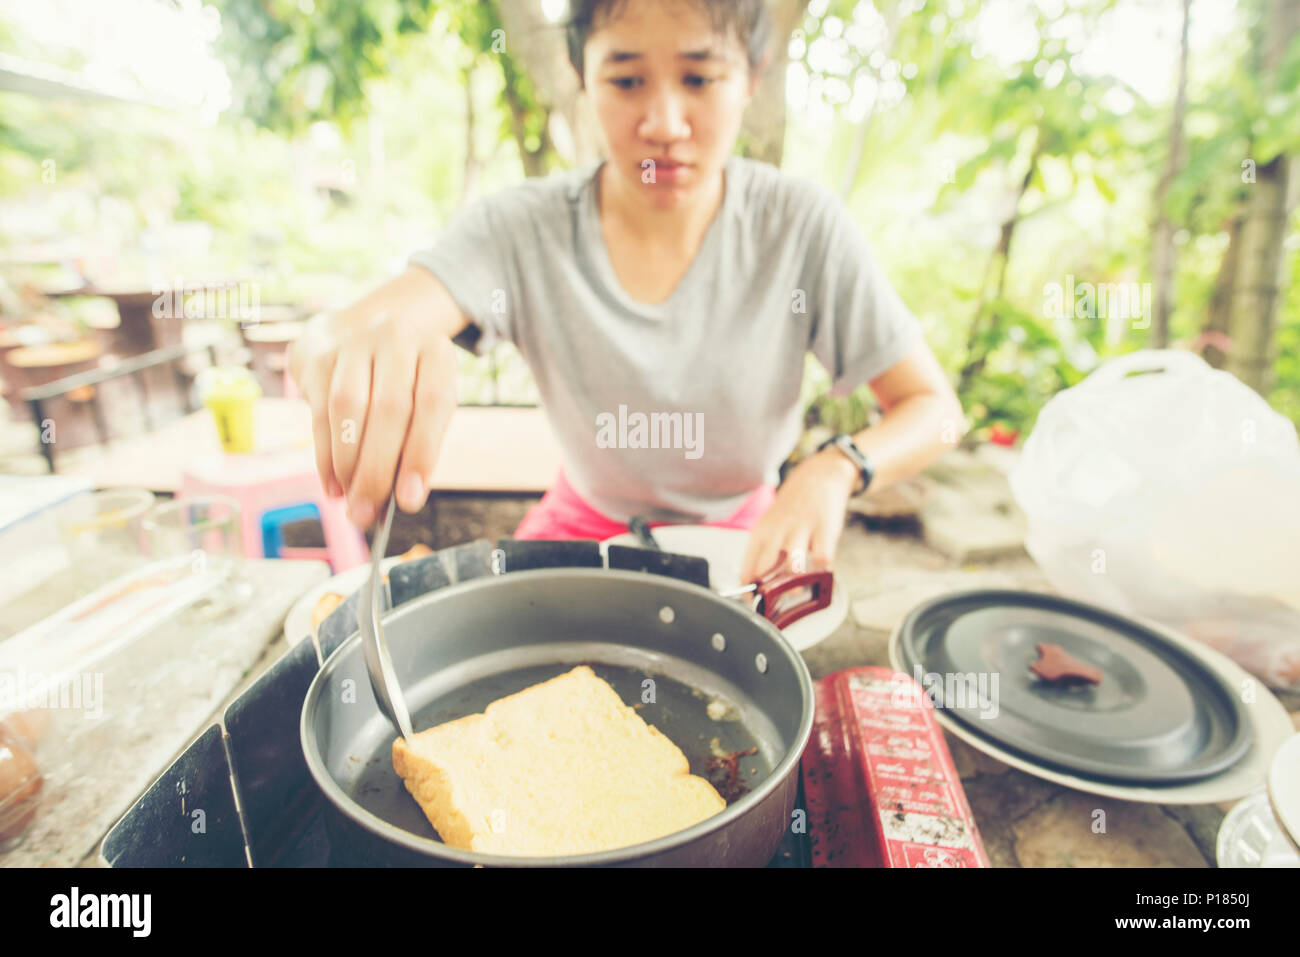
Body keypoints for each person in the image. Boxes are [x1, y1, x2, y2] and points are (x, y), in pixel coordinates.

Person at [288, 0, 964, 585]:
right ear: (583, 77)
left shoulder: (803, 228)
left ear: (753, 78)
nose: (665, 123)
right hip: (576, 535)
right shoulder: (523, 227)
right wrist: (345, 348)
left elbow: (934, 409)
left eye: (700, 77)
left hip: (747, 546)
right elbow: (344, 331)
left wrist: (834, 469)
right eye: (627, 78)